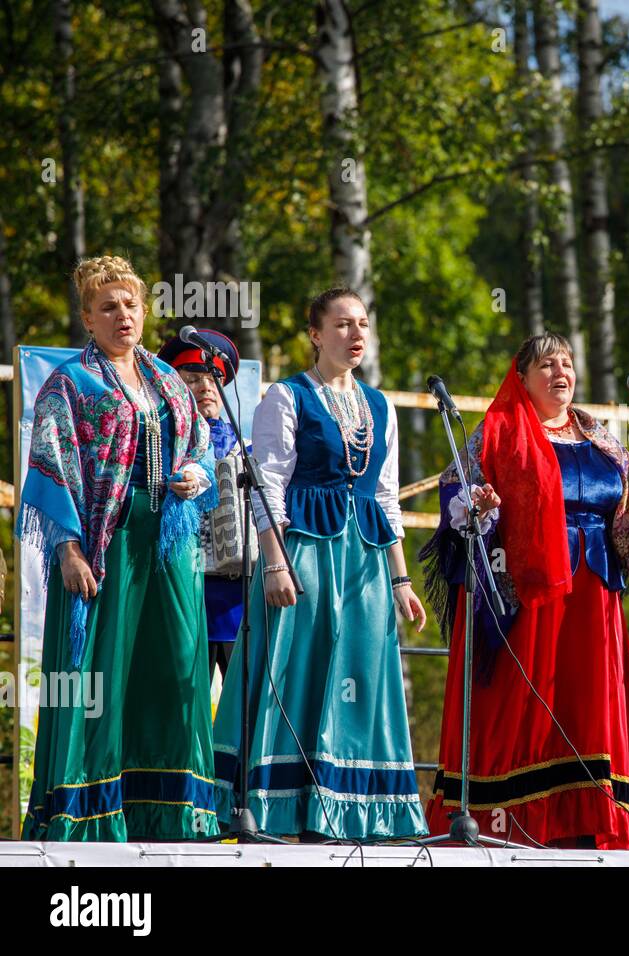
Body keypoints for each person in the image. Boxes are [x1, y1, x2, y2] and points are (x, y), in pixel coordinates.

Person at [421, 331, 629, 850]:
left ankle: (584, 823)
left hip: (591, 598)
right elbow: (454, 496)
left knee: (586, 709)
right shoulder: (499, 432)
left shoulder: (601, 439)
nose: (561, 373)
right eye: (547, 364)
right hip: (527, 597)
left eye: (567, 363)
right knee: (524, 708)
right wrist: (479, 505)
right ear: (522, 378)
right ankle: (507, 823)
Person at [211, 287, 428, 841]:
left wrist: (402, 579)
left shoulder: (380, 406)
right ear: (315, 334)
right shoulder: (285, 398)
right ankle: (282, 808)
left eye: (361, 325)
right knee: (296, 667)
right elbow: (268, 487)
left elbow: (385, 496)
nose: (355, 335)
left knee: (362, 673)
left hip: (366, 562)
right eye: (341, 325)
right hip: (304, 549)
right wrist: (276, 563)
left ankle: (359, 810)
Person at [19, 254, 218, 841]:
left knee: (175, 664)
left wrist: (197, 475)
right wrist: (69, 550)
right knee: (101, 675)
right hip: (107, 542)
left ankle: (171, 814)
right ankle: (92, 816)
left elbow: (202, 445)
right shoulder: (70, 383)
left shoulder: (164, 377)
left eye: (131, 304)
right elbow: (50, 466)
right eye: (108, 306)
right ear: (87, 316)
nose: (123, 315)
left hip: (169, 538)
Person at [159, 328, 245, 680]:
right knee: (181, 698)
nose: (207, 386)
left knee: (244, 711)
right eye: (193, 378)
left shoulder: (248, 447)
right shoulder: (163, 443)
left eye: (214, 378)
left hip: (236, 597)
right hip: (182, 588)